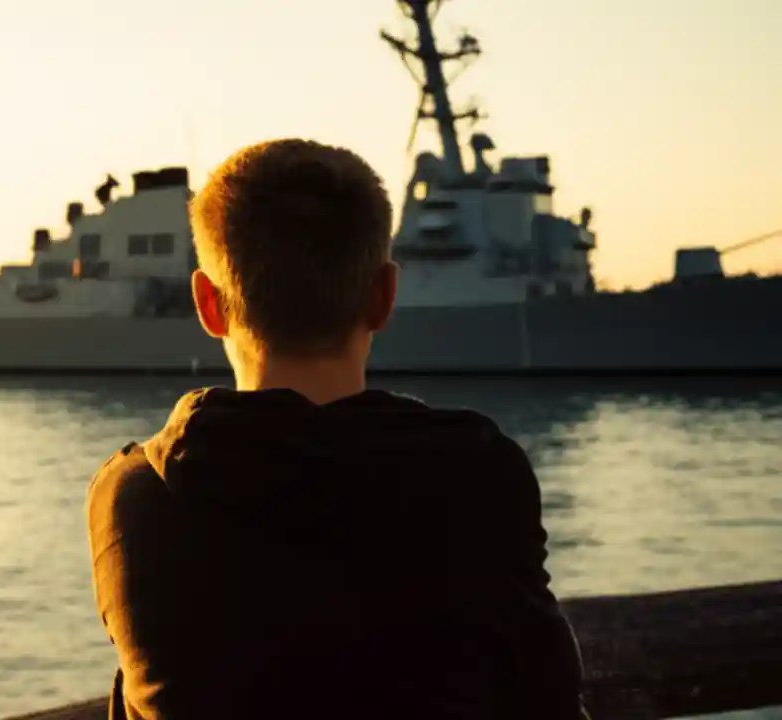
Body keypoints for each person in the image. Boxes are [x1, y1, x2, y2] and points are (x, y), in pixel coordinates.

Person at [86, 139, 586, 719]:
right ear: (384, 296)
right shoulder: (484, 476)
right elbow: (549, 695)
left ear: (208, 304)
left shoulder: (130, 494)